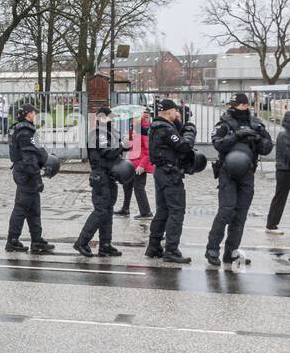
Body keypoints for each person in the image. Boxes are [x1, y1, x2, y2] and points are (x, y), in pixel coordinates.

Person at [207, 93, 273, 265]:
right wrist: (236, 136)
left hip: (247, 173)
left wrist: (257, 139)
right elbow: (218, 143)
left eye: (235, 105)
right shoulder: (224, 123)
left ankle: (231, 252)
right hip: (227, 172)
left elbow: (267, 147)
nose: (232, 107)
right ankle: (212, 249)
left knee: (241, 215)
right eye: (231, 104)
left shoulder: (257, 124)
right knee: (226, 210)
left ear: (245, 106)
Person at [146, 100, 198, 264]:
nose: (178, 115)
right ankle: (172, 250)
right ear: (170, 111)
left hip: (161, 172)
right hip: (170, 174)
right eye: (176, 112)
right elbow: (184, 146)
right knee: (176, 211)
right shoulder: (166, 129)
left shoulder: (155, 126)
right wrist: (189, 131)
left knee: (162, 211)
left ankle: (154, 246)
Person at [73, 107, 125, 257]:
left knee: (108, 212)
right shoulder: (97, 134)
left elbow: (115, 150)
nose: (113, 120)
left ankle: (105, 245)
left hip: (109, 176)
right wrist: (121, 146)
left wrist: (124, 142)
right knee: (101, 211)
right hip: (100, 176)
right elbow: (107, 152)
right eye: (110, 117)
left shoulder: (109, 133)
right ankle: (81, 242)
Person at [5, 104, 54, 253]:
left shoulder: (22, 129)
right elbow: (29, 157)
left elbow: (37, 151)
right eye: (34, 113)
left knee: (34, 209)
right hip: (27, 175)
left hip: (26, 173)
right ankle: (12, 240)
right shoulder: (26, 131)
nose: (35, 115)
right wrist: (37, 178)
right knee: (21, 208)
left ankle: (37, 240)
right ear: (28, 114)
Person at [117, 112, 153, 218]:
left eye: (134, 117)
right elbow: (132, 143)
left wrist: (142, 165)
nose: (132, 119)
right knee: (127, 184)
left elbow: (148, 150)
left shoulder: (145, 128)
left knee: (139, 187)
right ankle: (125, 208)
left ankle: (146, 212)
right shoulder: (136, 127)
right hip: (132, 161)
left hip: (140, 164)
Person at [269, 107, 290, 236]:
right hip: (285, 170)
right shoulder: (284, 135)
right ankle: (271, 225)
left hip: (285, 169)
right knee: (280, 198)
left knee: (280, 197)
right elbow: (288, 154)